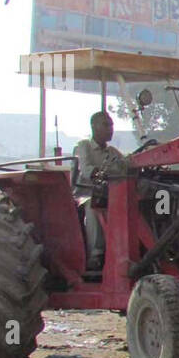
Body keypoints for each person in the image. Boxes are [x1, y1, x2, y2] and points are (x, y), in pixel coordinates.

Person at [72, 111, 128, 271]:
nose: (110, 129)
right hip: (85, 193)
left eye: (111, 125)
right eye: (106, 125)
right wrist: (99, 173)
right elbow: (85, 169)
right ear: (93, 126)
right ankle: (96, 255)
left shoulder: (112, 152)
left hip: (110, 193)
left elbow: (126, 163)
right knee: (93, 205)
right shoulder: (83, 146)